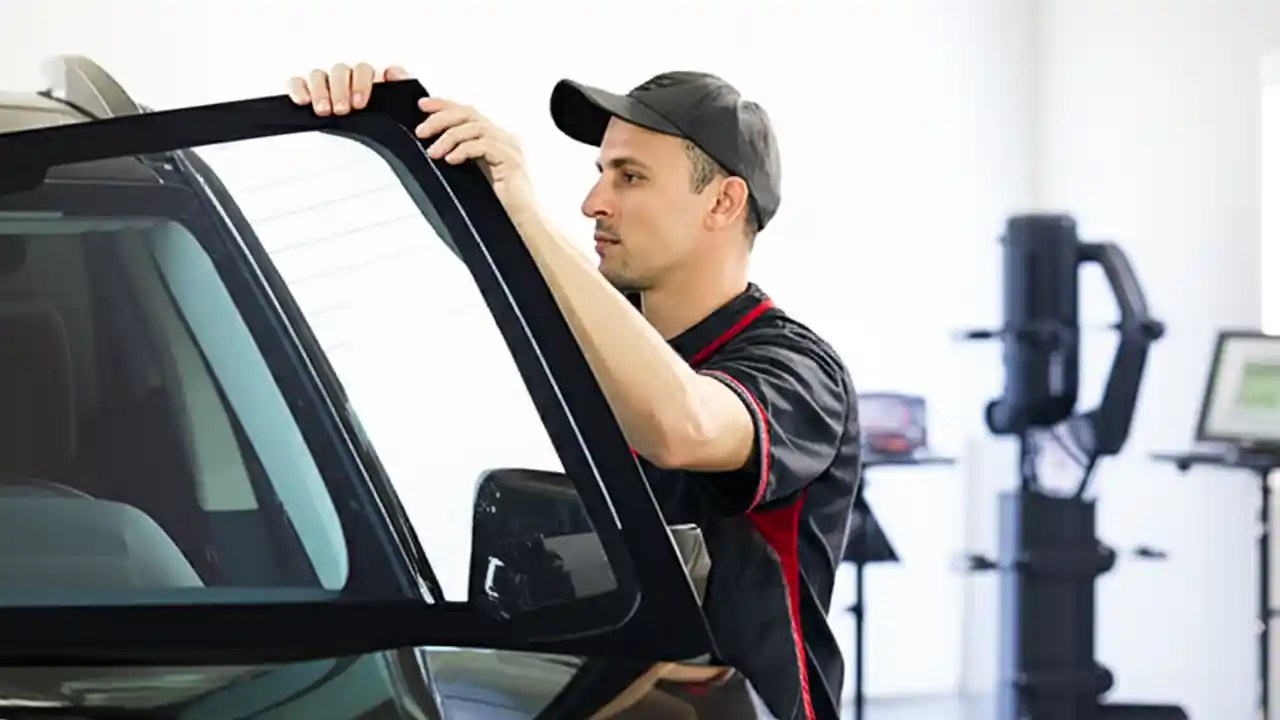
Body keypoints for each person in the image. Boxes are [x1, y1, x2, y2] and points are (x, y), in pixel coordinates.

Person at [288, 63, 862, 720]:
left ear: (723, 202)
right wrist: (379, 125)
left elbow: (685, 426)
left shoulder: (797, 369)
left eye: (630, 177)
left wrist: (528, 214)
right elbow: (492, 260)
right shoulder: (607, 334)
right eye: (600, 173)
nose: (594, 202)